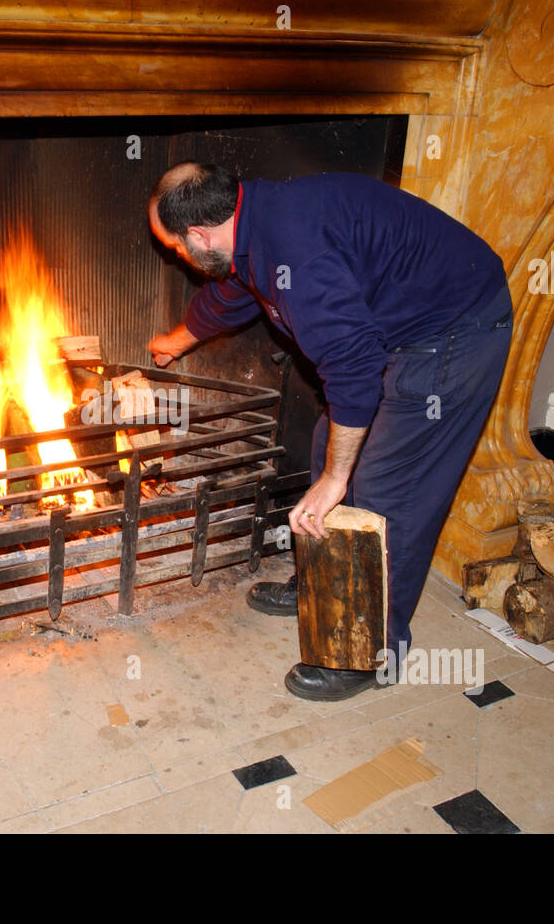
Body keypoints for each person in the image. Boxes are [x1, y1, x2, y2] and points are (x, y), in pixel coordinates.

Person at [147, 161, 512, 701]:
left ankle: (368, 652)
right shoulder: (253, 222)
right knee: (327, 442)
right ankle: (324, 583)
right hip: (402, 327)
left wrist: (338, 478)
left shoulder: (297, 250)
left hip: (455, 332)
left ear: (199, 235)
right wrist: (175, 341)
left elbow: (352, 367)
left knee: (388, 491)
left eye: (176, 247)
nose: (179, 256)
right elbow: (236, 294)